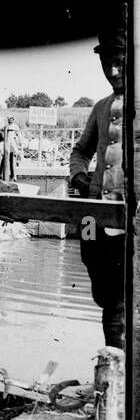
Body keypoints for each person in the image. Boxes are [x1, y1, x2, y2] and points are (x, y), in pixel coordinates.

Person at [68, 27, 126, 349]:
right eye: (107, 65)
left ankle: (115, 365)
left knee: (118, 298)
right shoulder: (100, 107)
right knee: (97, 277)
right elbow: (80, 151)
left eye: (119, 62)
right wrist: (79, 177)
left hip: (126, 222)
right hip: (92, 218)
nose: (113, 72)